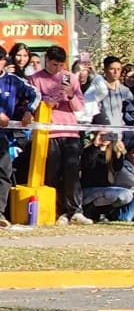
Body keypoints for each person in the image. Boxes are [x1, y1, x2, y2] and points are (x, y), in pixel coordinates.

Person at [29, 46, 91, 224]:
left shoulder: (70, 78)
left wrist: (71, 95)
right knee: (52, 172)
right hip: (48, 132)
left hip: (70, 130)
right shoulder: (35, 79)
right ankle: (57, 210)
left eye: (61, 65)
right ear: (46, 60)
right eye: (54, 64)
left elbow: (80, 107)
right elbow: (31, 103)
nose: (57, 69)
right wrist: (45, 102)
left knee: (72, 171)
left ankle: (75, 210)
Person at [0, 53, 38, 227]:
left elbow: (35, 94)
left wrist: (29, 110)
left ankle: (0, 214)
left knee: (4, 171)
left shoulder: (13, 81)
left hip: (3, 137)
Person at [79, 129, 134, 221]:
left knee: (127, 196)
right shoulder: (88, 150)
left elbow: (117, 168)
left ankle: (97, 211)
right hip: (88, 191)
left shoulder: (111, 152)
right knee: (112, 194)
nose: (105, 138)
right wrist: (95, 145)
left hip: (106, 190)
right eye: (102, 135)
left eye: (109, 135)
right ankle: (89, 209)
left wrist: (119, 153)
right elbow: (86, 164)